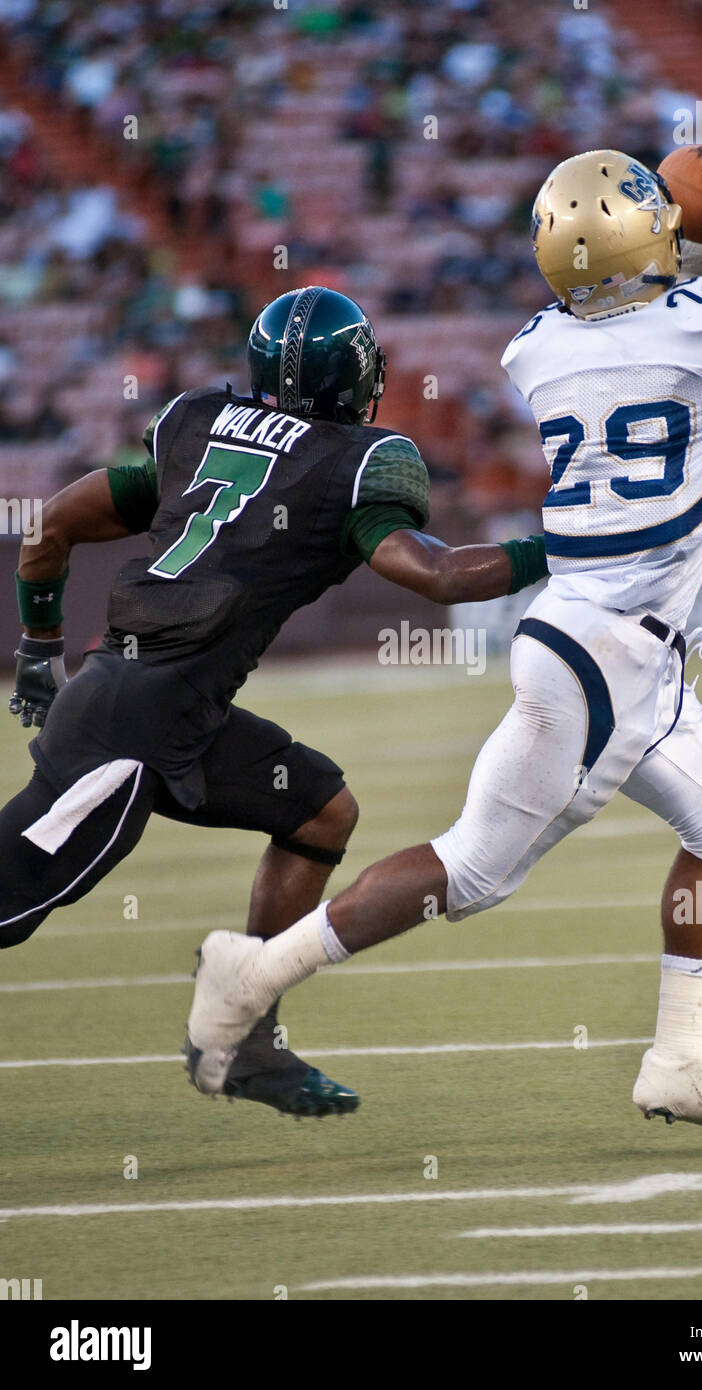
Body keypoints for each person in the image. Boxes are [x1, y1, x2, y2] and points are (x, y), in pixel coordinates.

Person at [186, 126, 702, 1142]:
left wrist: (671, 256)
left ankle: (680, 1057)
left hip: (610, 640)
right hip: (607, 650)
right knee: (474, 871)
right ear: (653, 240)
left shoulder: (535, 348)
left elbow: (633, 316)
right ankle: (255, 971)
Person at [1, 285, 549, 1120]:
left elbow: (51, 528)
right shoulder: (359, 462)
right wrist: (569, 546)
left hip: (158, 706)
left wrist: (39, 649)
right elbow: (434, 574)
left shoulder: (196, 427)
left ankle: (241, 1035)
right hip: (130, 732)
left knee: (320, 811)